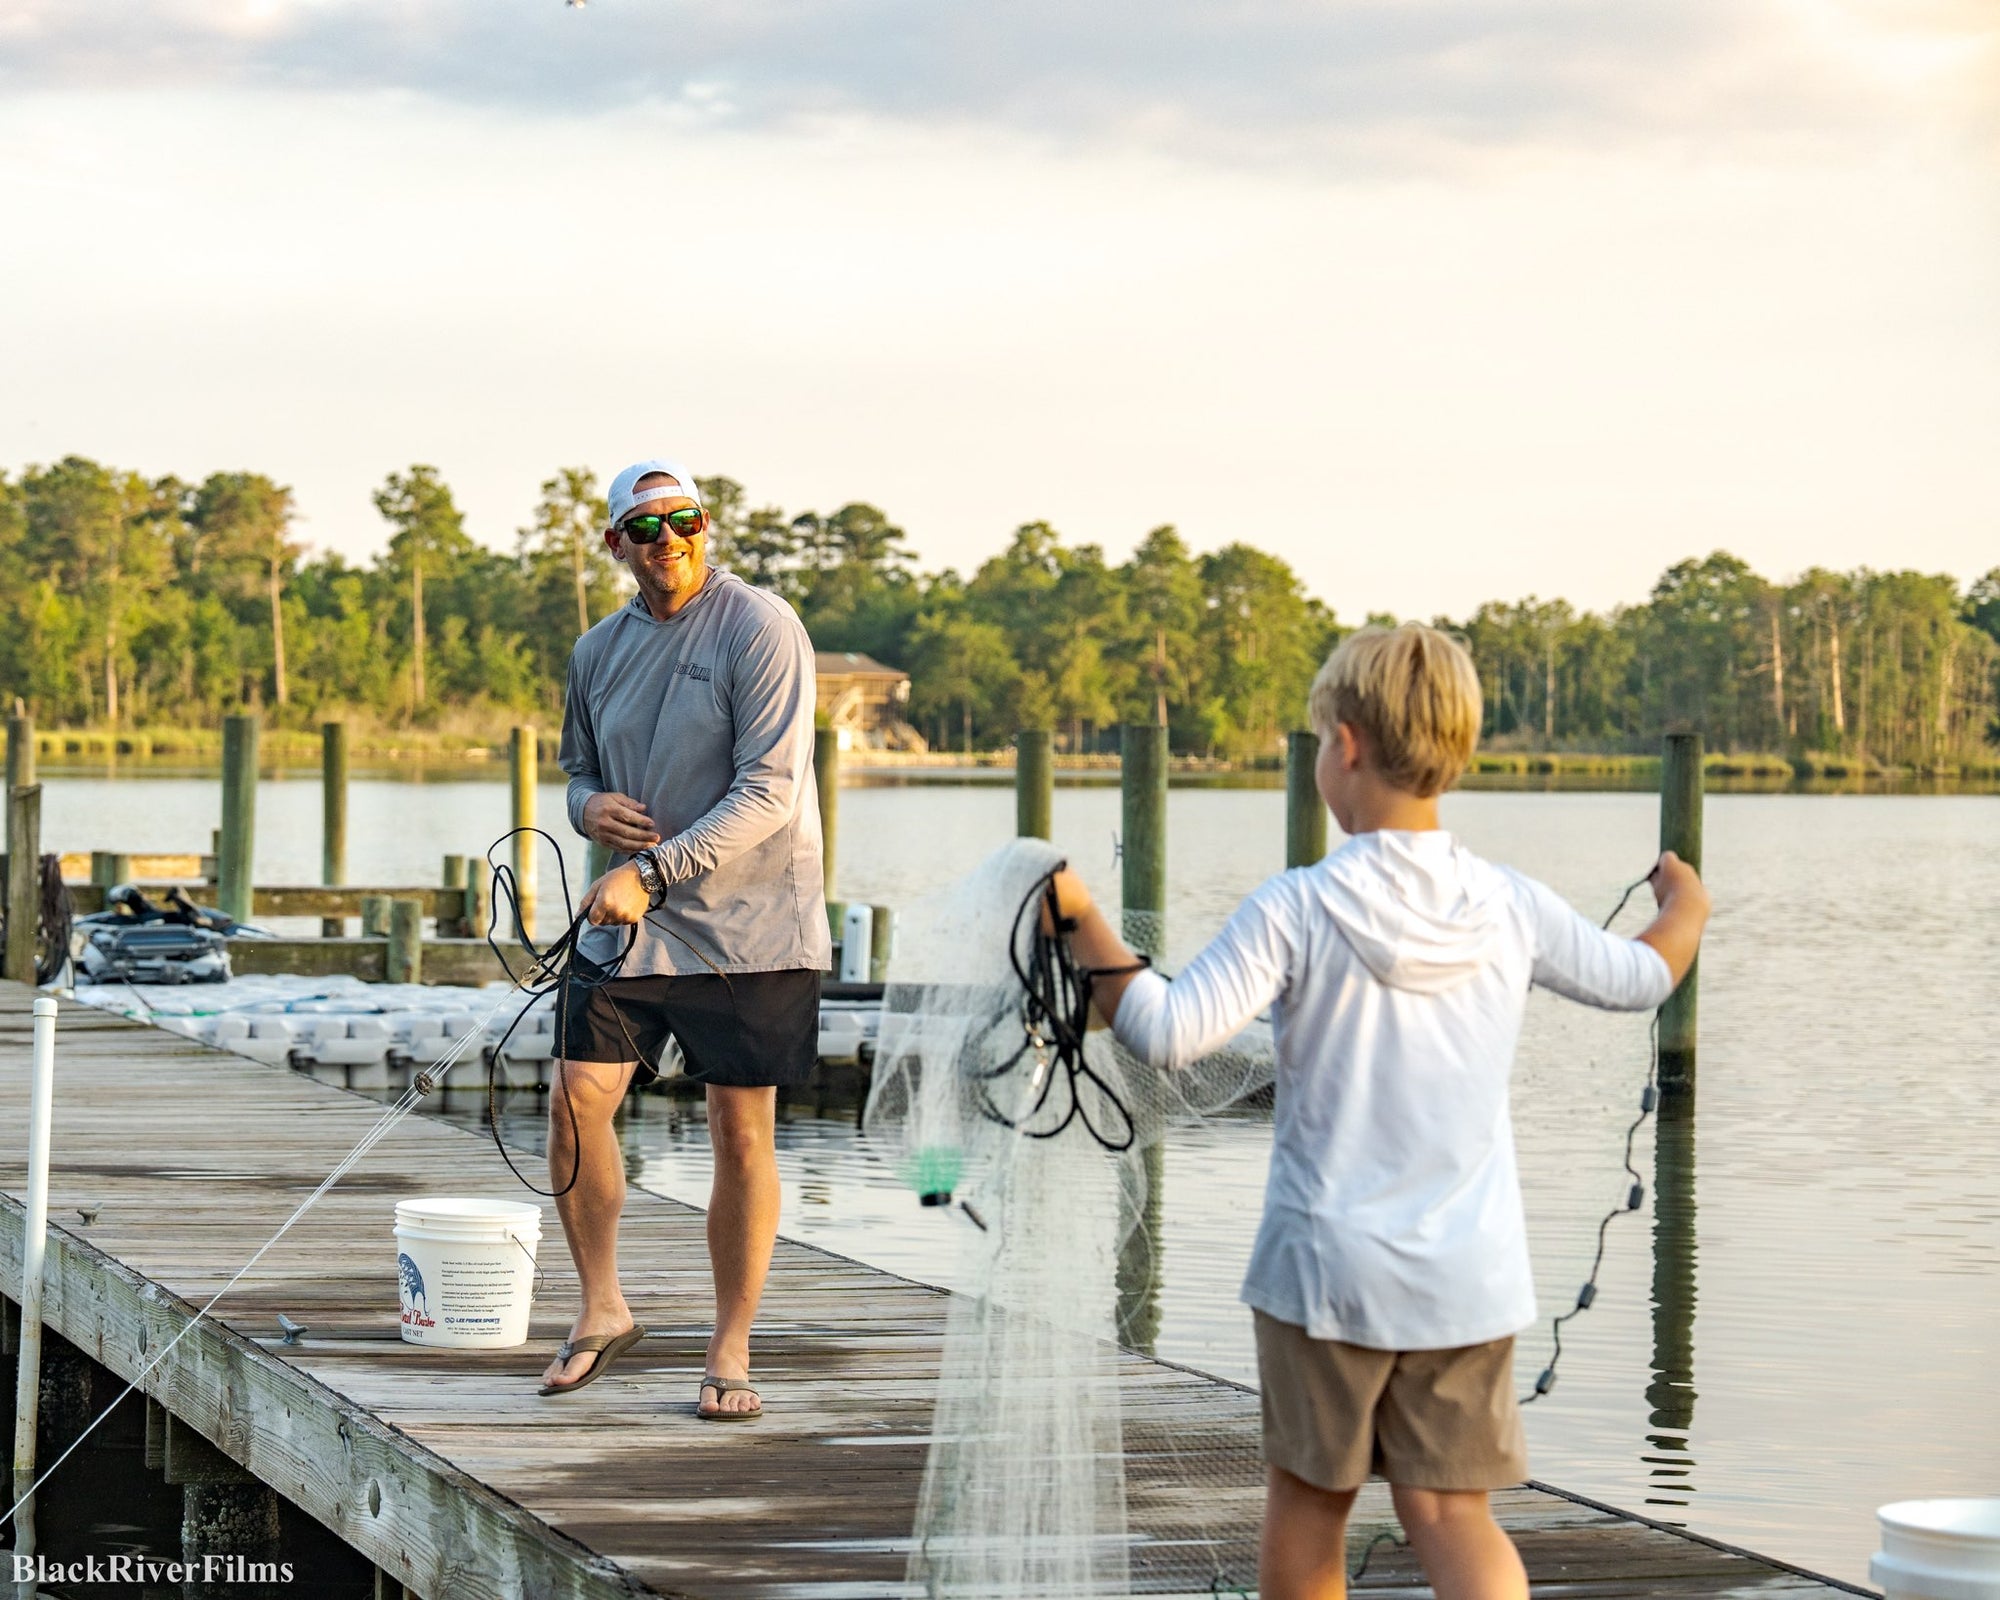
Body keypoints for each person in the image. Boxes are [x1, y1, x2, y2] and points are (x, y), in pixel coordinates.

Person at [1047, 624, 1710, 1600]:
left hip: (1325, 1276)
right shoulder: (1506, 901)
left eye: (1319, 741)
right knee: (1450, 1512)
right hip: (1466, 1279)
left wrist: (1075, 912)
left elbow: (1162, 1028)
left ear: (1346, 745)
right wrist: (1684, 902)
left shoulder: (1296, 905)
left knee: (1312, 1505)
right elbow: (1639, 975)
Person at [543, 457, 830, 1420]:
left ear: (706, 526)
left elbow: (771, 790)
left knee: (739, 1129)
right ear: (616, 544)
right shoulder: (596, 651)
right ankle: (602, 1310)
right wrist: (591, 815)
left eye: (686, 521)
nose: (670, 541)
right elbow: (576, 774)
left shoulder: (761, 625)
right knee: (576, 1101)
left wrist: (654, 871)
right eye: (648, 528)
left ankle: (731, 1348)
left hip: (751, 928)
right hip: (625, 920)